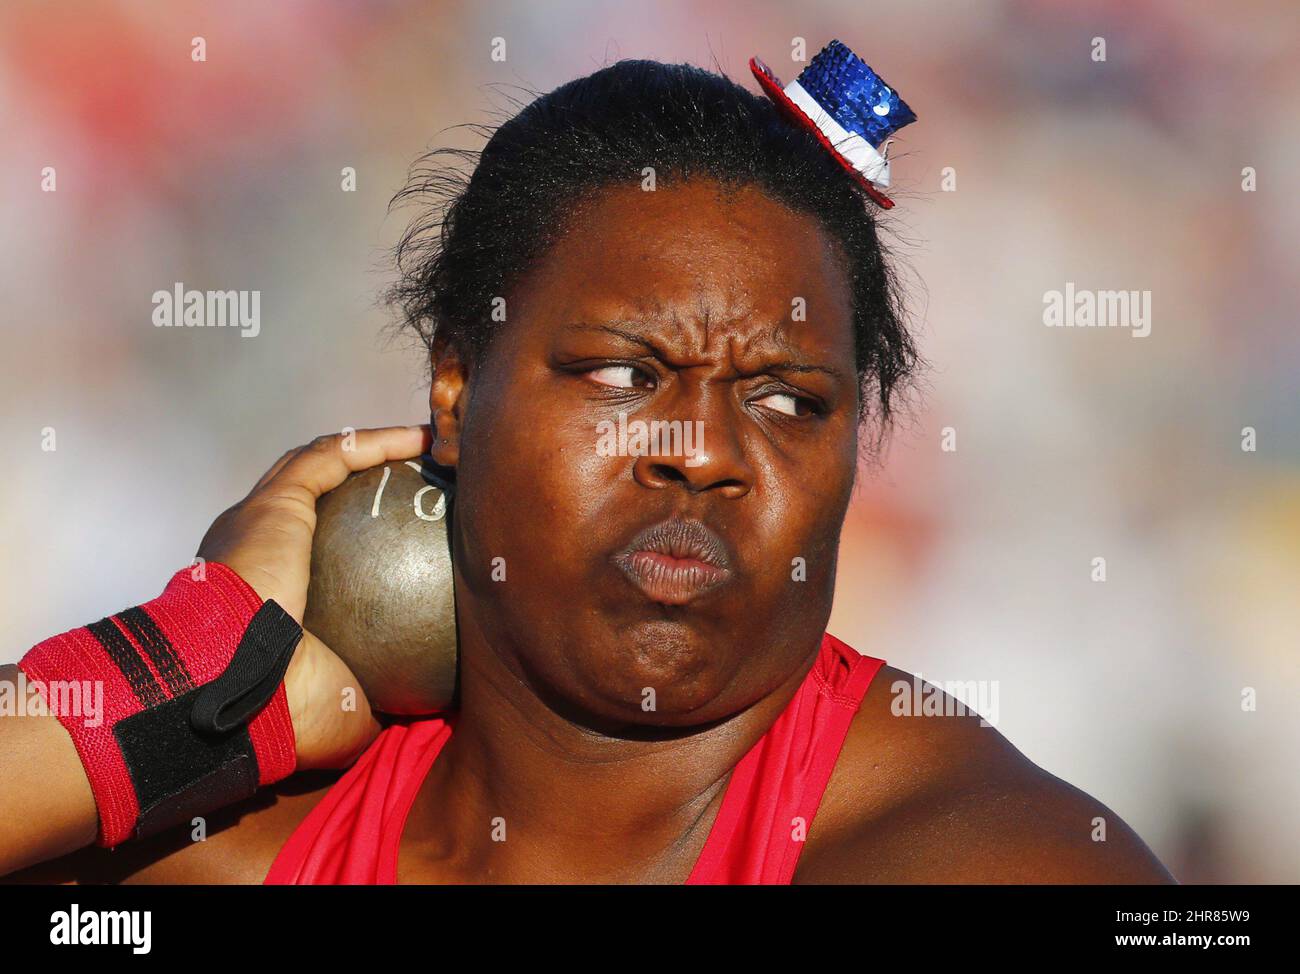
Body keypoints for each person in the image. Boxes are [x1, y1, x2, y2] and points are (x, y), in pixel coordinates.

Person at [0, 54, 1173, 884]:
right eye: (623, 375)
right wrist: (168, 688)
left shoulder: (982, 857)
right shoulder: (219, 829)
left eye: (785, 399)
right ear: (454, 394)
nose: (705, 453)